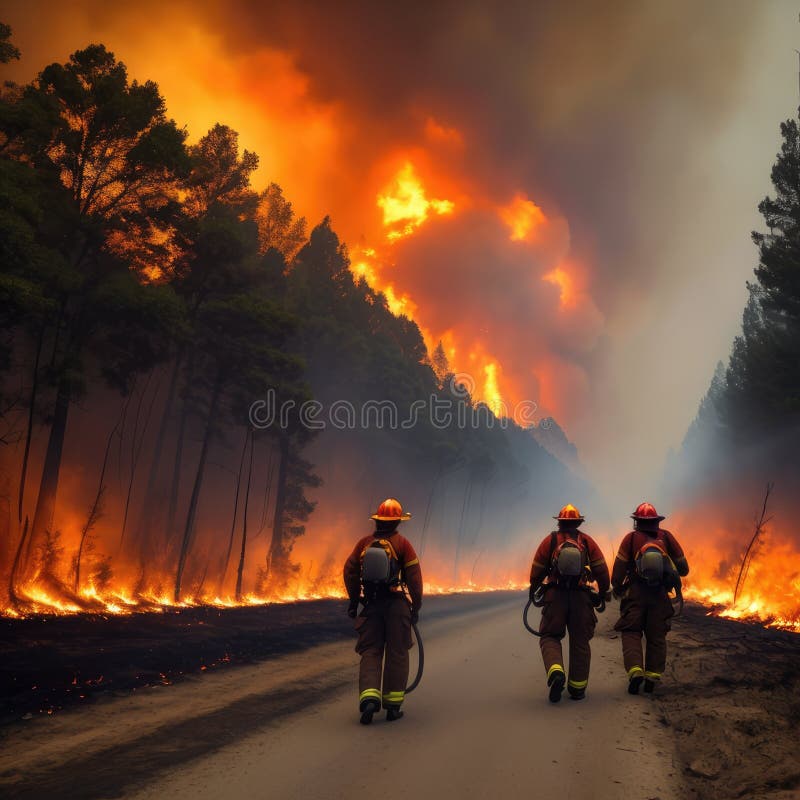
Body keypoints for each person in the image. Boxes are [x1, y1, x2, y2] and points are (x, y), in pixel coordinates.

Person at [343, 497, 423, 724]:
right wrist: (415, 607)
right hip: (396, 606)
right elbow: (415, 580)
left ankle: (369, 700)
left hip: (371, 605)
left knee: (371, 651)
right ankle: (393, 706)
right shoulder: (402, 544)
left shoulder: (363, 543)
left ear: (377, 521)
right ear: (397, 522)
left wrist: (353, 600)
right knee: (397, 652)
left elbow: (349, 571)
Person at [529, 504, 610, 702]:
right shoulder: (587, 541)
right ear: (579, 522)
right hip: (581, 598)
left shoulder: (550, 541)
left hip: (555, 597)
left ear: (559, 522)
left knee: (549, 636)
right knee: (580, 641)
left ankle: (556, 671)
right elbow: (601, 570)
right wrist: (603, 591)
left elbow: (537, 571)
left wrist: (536, 589)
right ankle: (577, 689)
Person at [611, 502, 690, 694]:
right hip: (660, 596)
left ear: (636, 521)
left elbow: (617, 575)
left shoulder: (630, 539)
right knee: (656, 637)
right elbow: (684, 569)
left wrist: (618, 587)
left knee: (631, 632)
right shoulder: (666, 537)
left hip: (635, 595)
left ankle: (635, 671)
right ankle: (652, 678)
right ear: (656, 521)